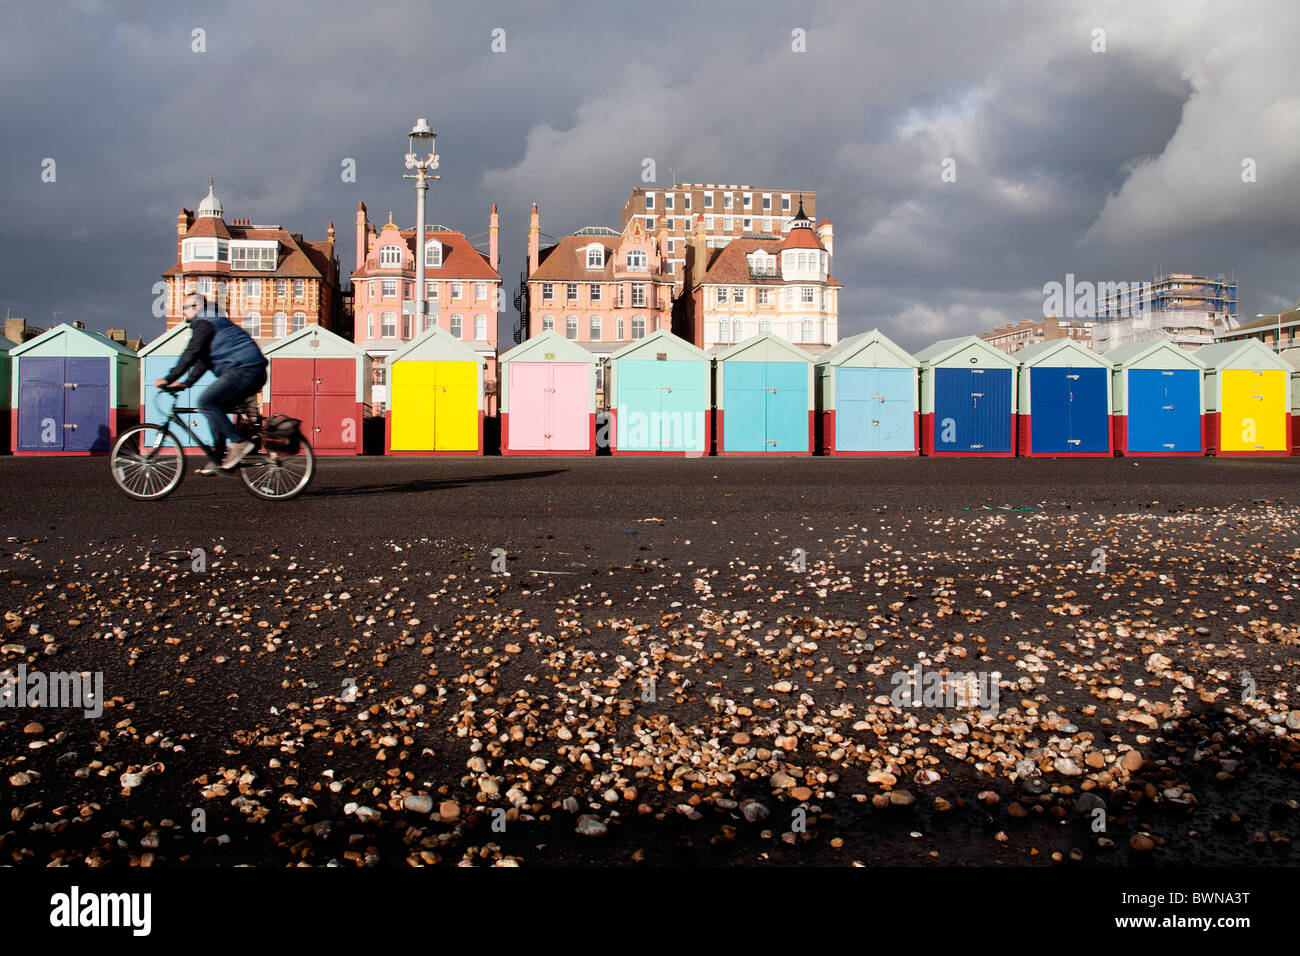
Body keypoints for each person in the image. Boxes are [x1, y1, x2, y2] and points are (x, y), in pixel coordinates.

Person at [155, 287, 267, 474]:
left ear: (196, 306)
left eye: (185, 307)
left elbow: (191, 352)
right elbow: (202, 362)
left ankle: (239, 443)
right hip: (249, 370)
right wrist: (186, 383)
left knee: (205, 402)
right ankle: (218, 459)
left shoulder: (205, 321)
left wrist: (168, 377)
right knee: (215, 406)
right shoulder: (212, 321)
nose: (182, 311)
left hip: (244, 369)